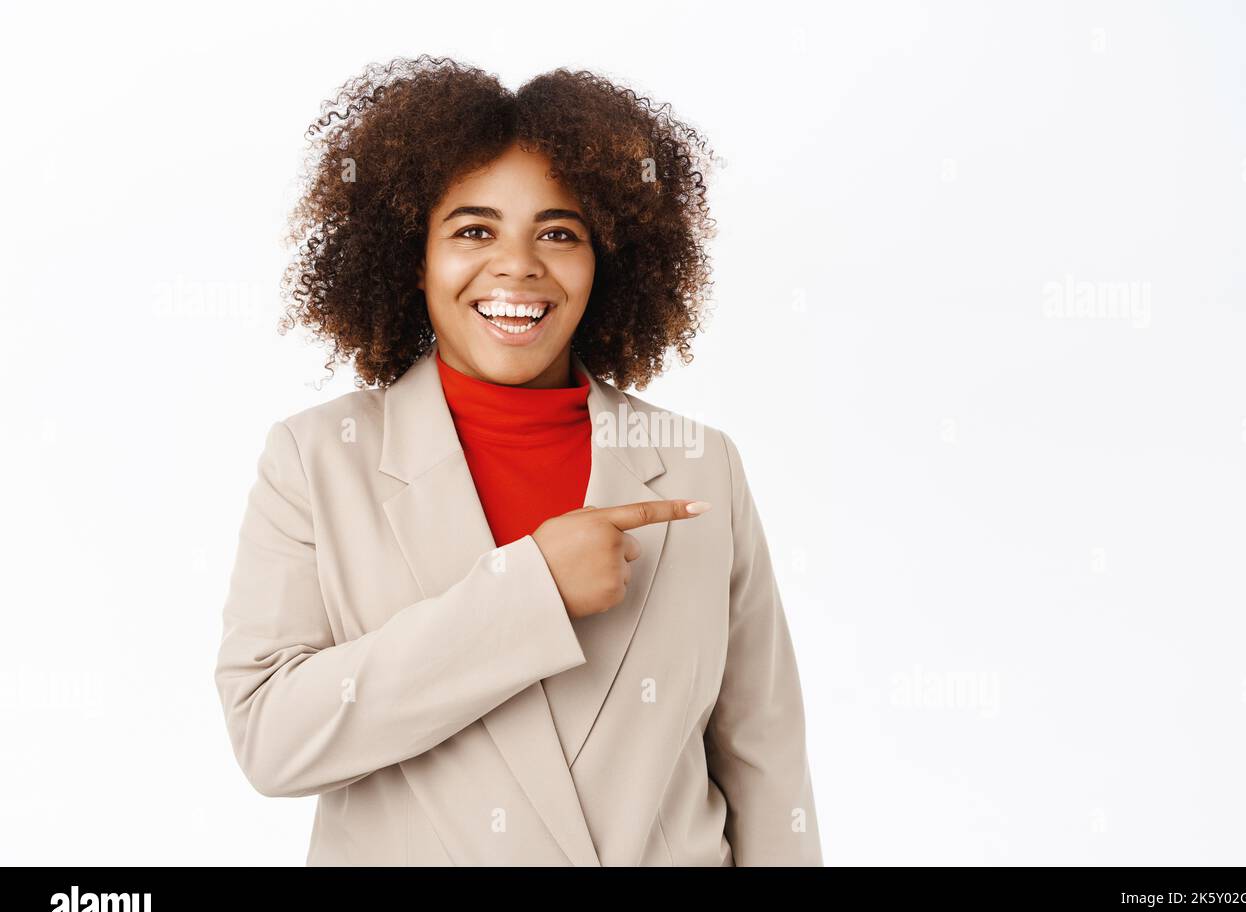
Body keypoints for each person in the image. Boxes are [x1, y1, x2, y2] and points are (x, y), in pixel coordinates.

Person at [214, 55, 822, 866]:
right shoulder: (317, 459)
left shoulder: (699, 464)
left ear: (607, 257)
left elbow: (765, 755)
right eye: (473, 230)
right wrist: (529, 594)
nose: (518, 266)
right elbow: (271, 737)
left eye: (559, 233)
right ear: (412, 257)